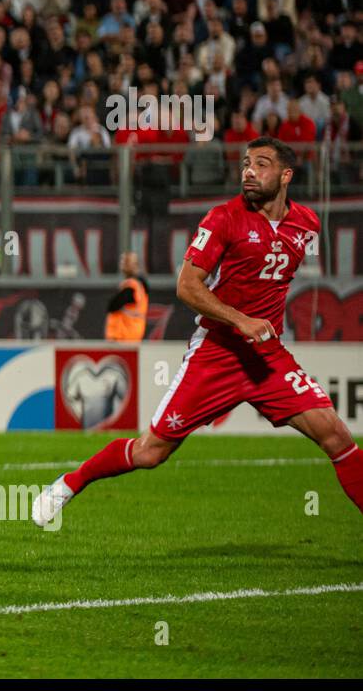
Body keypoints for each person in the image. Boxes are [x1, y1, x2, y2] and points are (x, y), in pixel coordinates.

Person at [34, 138, 362, 526]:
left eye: (261, 164)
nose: (249, 171)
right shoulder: (223, 218)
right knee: (150, 453)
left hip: (268, 358)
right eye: (245, 164)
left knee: (338, 437)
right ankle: (70, 483)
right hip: (217, 353)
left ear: (286, 175)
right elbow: (187, 286)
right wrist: (241, 320)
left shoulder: (307, 224)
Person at [104, 251, 148, 342]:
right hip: (131, 335)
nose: (124, 264)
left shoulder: (132, 286)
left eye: (127, 261)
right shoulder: (139, 285)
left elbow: (112, 306)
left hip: (124, 335)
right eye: (123, 261)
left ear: (136, 265)